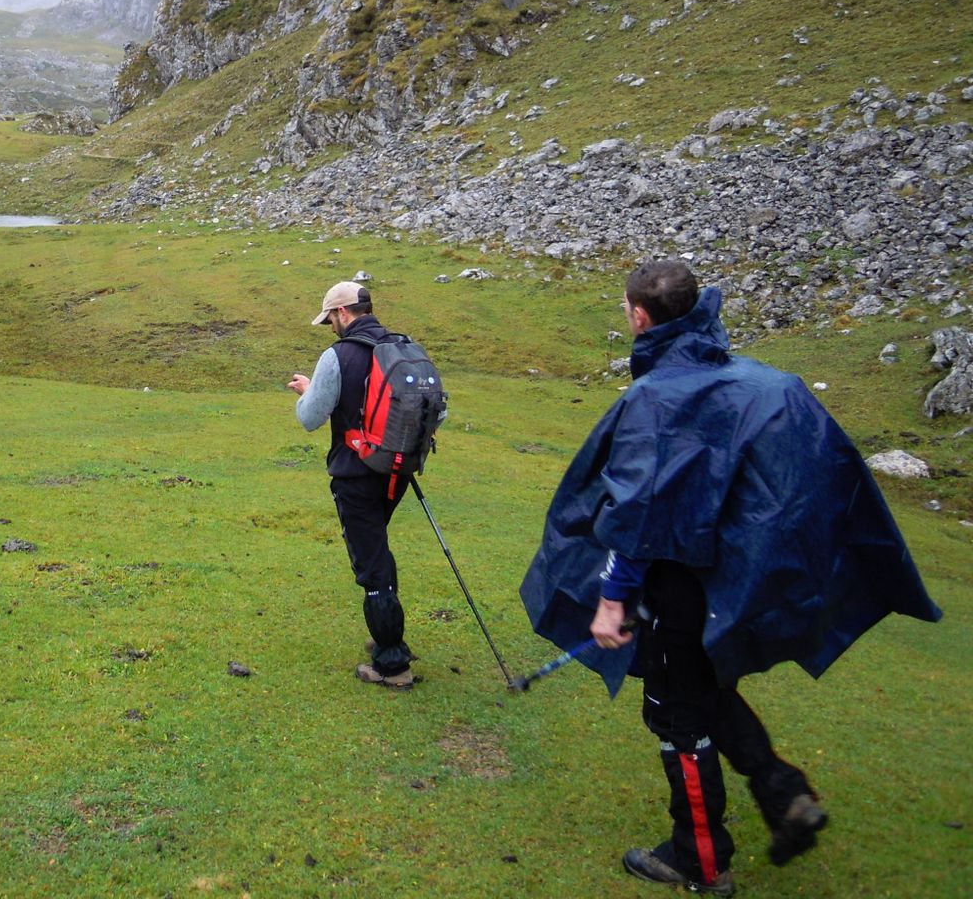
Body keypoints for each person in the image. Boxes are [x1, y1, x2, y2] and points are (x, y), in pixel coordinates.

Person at [521, 260, 941, 895]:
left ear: (640, 317)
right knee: (709, 689)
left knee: (677, 714)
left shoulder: (657, 399)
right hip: (732, 582)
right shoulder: (767, 385)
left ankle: (698, 856)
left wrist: (612, 600)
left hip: (679, 585)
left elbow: (638, 511)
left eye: (627, 310)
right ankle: (784, 793)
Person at [288, 281, 419, 689]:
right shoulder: (403, 348)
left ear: (343, 313)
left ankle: (393, 664)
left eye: (330, 318)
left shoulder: (338, 356)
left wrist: (309, 391)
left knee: (371, 564)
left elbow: (310, 417)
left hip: (356, 474)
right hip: (396, 472)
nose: (330, 326)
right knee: (377, 547)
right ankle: (388, 634)